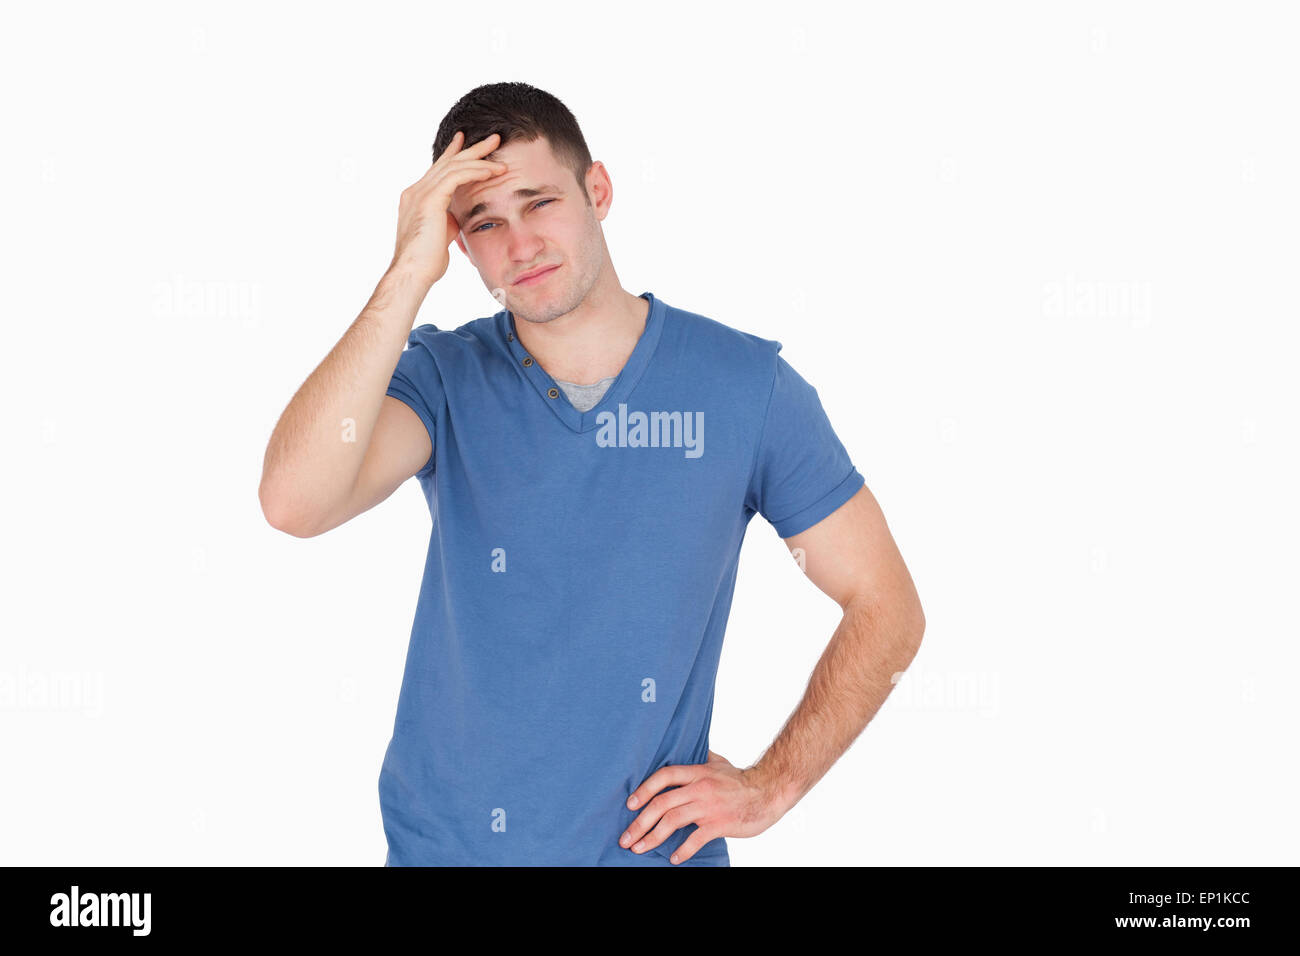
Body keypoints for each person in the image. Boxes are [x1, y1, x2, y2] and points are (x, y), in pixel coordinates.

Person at [258, 81, 926, 866]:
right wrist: (405, 273)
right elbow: (293, 502)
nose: (520, 245)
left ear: (597, 191)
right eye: (485, 223)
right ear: (458, 244)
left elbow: (887, 607)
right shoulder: (442, 379)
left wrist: (770, 787)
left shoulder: (747, 388)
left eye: (539, 203)